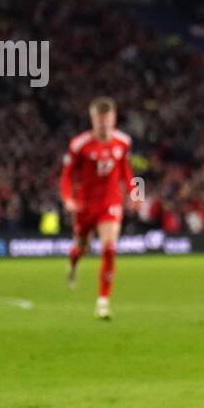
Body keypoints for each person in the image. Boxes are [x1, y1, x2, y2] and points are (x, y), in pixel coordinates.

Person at [60, 97, 139, 319]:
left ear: (113, 118)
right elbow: (66, 175)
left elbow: (126, 170)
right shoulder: (79, 145)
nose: (104, 124)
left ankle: (103, 301)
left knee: (109, 247)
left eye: (107, 120)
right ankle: (73, 263)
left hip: (110, 202)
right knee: (82, 248)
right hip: (85, 204)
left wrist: (134, 192)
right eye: (99, 120)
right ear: (93, 119)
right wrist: (68, 198)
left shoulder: (123, 142)